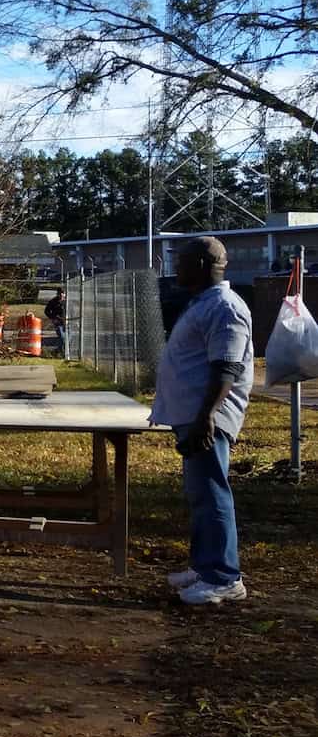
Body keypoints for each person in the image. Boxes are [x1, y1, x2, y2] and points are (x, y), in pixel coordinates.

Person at [150, 236, 253, 606]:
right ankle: (204, 565)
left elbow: (226, 366)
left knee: (212, 494)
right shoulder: (204, 304)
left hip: (207, 419)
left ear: (200, 265)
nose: (175, 268)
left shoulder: (225, 307)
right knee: (200, 496)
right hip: (195, 416)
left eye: (181, 262)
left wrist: (206, 417)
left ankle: (223, 577)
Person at [44, 290, 68, 357]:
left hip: (67, 322)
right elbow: (46, 311)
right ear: (57, 294)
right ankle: (61, 353)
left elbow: (72, 311)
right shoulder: (53, 301)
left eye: (63, 293)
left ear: (65, 294)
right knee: (61, 336)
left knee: (68, 338)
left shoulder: (67, 301)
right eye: (59, 294)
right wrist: (53, 318)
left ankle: (58, 352)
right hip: (58, 322)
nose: (61, 295)